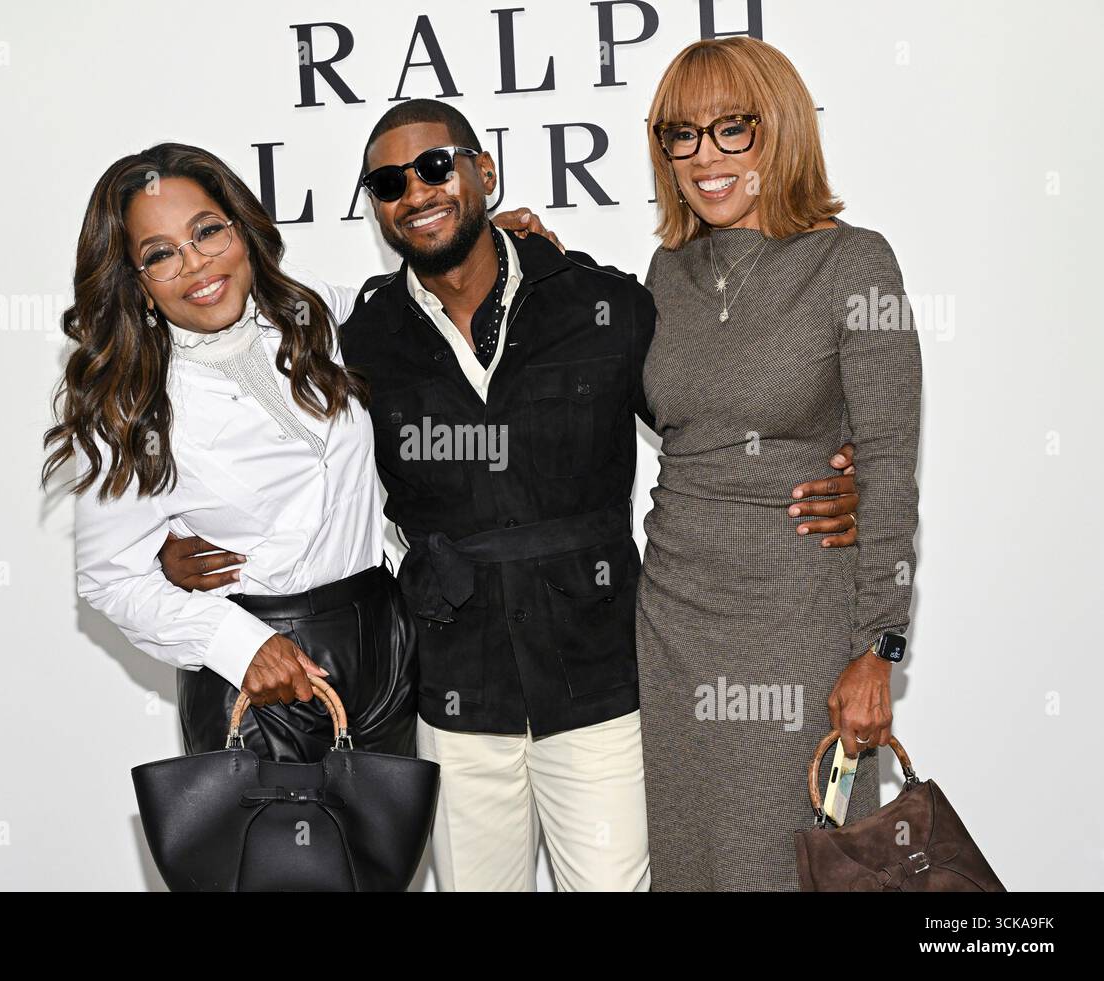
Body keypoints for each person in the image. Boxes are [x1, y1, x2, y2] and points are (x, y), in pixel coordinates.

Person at [164, 99, 862, 891]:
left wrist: (833, 474)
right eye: (389, 182)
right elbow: (289, 469)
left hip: (602, 683)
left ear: (482, 172)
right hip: (452, 693)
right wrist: (169, 540)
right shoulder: (357, 339)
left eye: (435, 166)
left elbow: (714, 426)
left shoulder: (603, 306)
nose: (416, 191)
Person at [44, 142, 554, 765]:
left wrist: (473, 242)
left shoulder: (316, 317)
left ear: (241, 230)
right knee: (274, 862)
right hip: (259, 678)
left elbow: (407, 304)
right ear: (138, 284)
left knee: (384, 859)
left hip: (385, 651)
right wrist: (237, 643)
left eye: (207, 232)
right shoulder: (132, 403)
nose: (196, 264)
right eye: (160, 255)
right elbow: (109, 578)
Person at [636, 37, 922, 889]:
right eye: (681, 135)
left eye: (733, 129)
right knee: (690, 860)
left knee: (794, 860)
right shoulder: (666, 271)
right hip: (673, 619)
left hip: (796, 617)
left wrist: (879, 645)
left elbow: (889, 463)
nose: (706, 157)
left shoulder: (852, 262)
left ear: (783, 129)